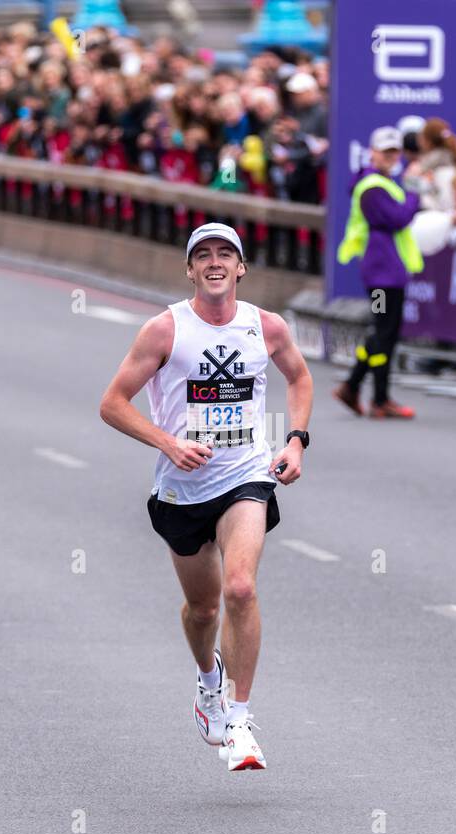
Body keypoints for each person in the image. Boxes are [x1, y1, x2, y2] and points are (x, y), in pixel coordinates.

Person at [98, 223, 314, 772]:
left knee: (241, 588)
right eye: (203, 256)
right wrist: (168, 443)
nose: (215, 263)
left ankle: (239, 720)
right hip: (181, 489)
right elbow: (113, 403)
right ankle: (208, 682)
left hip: (246, 475)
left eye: (226, 254)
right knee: (204, 608)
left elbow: (300, 379)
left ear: (241, 268)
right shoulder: (164, 330)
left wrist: (295, 440)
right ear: (190, 269)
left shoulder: (266, 326)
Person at [333, 126, 424, 419]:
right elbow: (397, 218)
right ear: (372, 152)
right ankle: (377, 396)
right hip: (381, 274)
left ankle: (355, 386)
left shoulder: (379, 182)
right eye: (385, 152)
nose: (390, 157)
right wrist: (414, 194)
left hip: (388, 271)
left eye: (394, 152)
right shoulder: (372, 187)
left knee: (383, 332)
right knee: (384, 332)